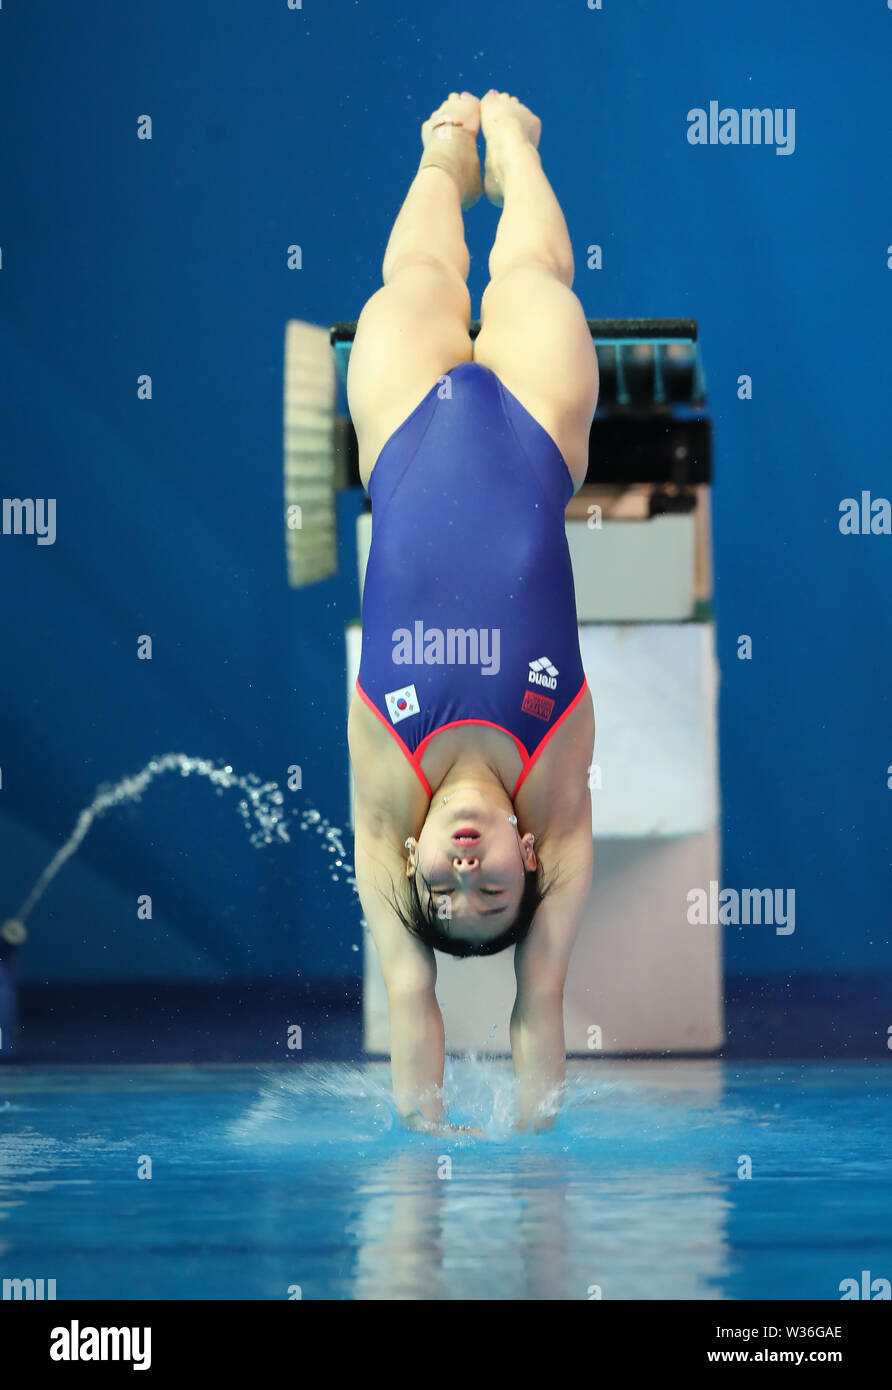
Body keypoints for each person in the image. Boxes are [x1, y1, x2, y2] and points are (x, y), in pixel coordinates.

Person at [347, 90, 598, 1131]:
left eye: (444, 893)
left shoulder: (383, 785)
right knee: (529, 275)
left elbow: (412, 991)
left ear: (410, 863)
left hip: (404, 425)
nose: (462, 874)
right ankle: (517, 143)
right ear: (527, 857)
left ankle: (444, 153)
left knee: (418, 277)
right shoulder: (555, 782)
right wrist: (534, 1163)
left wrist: (423, 1167)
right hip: (538, 427)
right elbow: (539, 996)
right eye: (491, 890)